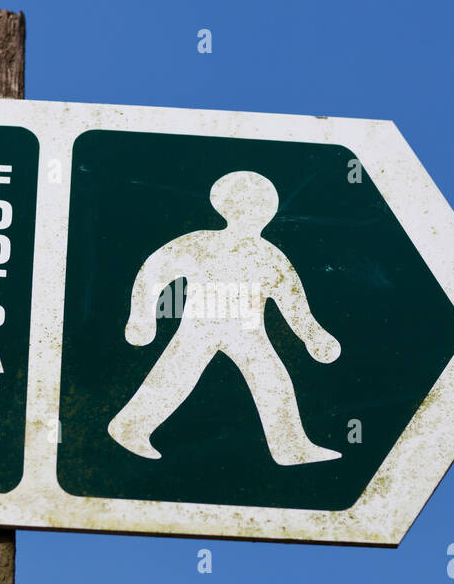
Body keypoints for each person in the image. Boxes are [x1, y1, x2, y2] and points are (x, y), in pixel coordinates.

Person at [108, 170, 341, 466]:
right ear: (225, 207)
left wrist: (314, 335)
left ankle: (290, 447)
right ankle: (129, 427)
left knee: (274, 380)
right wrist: (141, 317)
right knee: (172, 378)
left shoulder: (271, 257)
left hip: (247, 332)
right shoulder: (200, 244)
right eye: (245, 205)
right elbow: (154, 272)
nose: (253, 213)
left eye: (261, 206)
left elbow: (293, 304)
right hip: (199, 326)